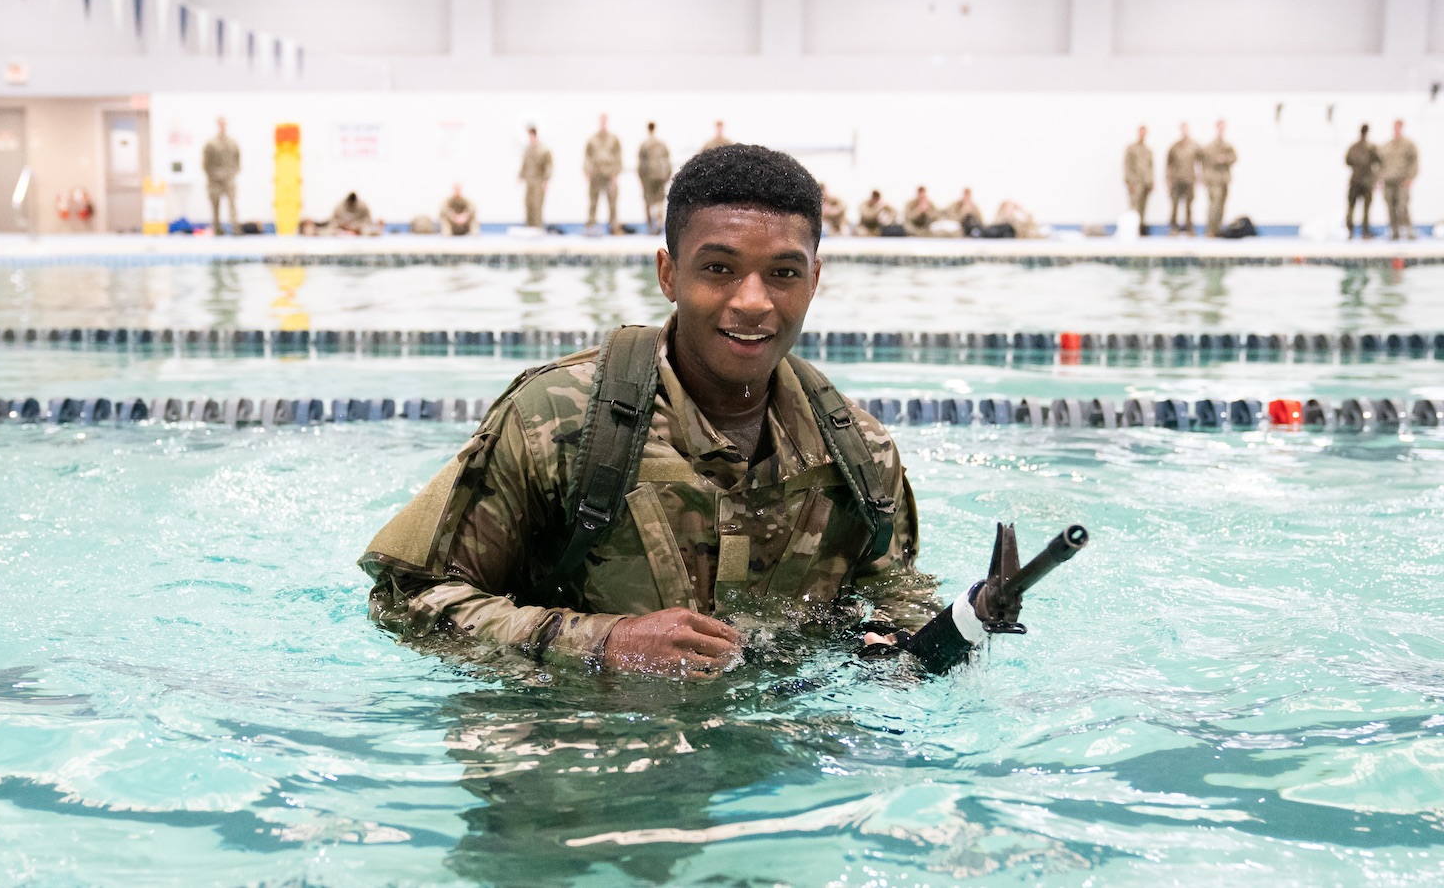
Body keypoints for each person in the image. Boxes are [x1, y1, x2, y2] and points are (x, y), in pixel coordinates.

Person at [359, 143, 1036, 677]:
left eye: (783, 272)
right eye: (717, 268)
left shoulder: (859, 454)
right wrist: (601, 643)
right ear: (668, 274)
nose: (752, 300)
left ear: (814, 280)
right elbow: (404, 600)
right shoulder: (559, 422)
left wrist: (953, 625)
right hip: (577, 755)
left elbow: (892, 616)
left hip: (772, 784)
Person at [1378, 119, 1419, 240]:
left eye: (1399, 127)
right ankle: (1394, 232)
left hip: (1402, 180)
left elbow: (1414, 162)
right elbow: (1380, 164)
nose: (1396, 130)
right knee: (1390, 207)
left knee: (1403, 206)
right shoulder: (1387, 145)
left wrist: (1410, 178)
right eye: (1395, 127)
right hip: (1388, 181)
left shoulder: (1408, 144)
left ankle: (1409, 231)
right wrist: (1379, 178)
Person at [583, 114, 623, 234]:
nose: (603, 124)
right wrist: (586, 172)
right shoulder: (592, 139)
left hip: (609, 175)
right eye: (601, 122)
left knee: (612, 202)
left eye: (604, 122)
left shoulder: (613, 139)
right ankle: (590, 225)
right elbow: (587, 157)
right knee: (593, 202)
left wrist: (616, 174)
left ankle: (613, 226)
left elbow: (618, 157)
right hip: (596, 174)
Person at [201, 117, 240, 236]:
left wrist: (233, 172)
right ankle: (217, 228)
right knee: (215, 204)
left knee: (232, 203)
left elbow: (237, 159)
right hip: (214, 179)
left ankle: (235, 228)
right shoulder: (211, 144)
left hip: (229, 177)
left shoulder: (232, 143)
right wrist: (211, 176)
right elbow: (205, 163)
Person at [1200, 120, 1237, 238]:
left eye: (1223, 127)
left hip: (1224, 180)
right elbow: (1209, 161)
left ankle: (1218, 229)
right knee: (1214, 205)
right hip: (1214, 180)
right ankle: (1210, 230)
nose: (1222, 130)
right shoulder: (1211, 145)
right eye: (1220, 127)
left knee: (1222, 205)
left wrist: (1224, 158)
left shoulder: (1227, 145)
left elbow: (1234, 157)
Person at [1344, 124, 1380, 240]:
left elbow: (1347, 161)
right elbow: (1378, 161)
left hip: (1356, 180)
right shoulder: (1371, 147)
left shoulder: (1354, 147)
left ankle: (1350, 230)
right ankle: (1364, 231)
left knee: (1352, 207)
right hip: (1365, 181)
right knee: (1364, 208)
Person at [637, 121, 673, 235]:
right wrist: (667, 175)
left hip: (651, 177)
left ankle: (653, 225)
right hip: (658, 177)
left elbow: (641, 163)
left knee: (652, 202)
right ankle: (656, 224)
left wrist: (641, 178)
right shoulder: (660, 144)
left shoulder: (645, 145)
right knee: (658, 202)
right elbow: (667, 162)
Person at [1165, 123, 1200, 236]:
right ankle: (1173, 227)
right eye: (1183, 130)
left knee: (1189, 206)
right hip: (1176, 180)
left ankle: (1189, 228)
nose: (1185, 132)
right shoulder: (1174, 147)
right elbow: (1168, 164)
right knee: (1174, 205)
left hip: (1189, 180)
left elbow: (1201, 161)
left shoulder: (1194, 146)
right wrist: (1168, 180)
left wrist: (1201, 177)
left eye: (1186, 130)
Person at [519, 126, 554, 229]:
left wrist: (546, 180)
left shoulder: (544, 150)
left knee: (537, 205)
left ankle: (538, 227)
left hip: (539, 181)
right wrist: (520, 176)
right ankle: (529, 226)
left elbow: (549, 166)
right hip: (529, 181)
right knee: (528, 203)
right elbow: (524, 165)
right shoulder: (528, 150)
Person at [1123, 125, 1155, 234]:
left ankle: (1141, 228)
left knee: (1143, 207)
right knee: (1134, 206)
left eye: (1145, 132)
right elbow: (1127, 165)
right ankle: (1132, 229)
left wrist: (1151, 181)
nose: (1143, 134)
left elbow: (1150, 166)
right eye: (1141, 132)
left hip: (1145, 182)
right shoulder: (1131, 148)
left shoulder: (1148, 150)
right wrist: (1129, 181)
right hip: (1135, 182)